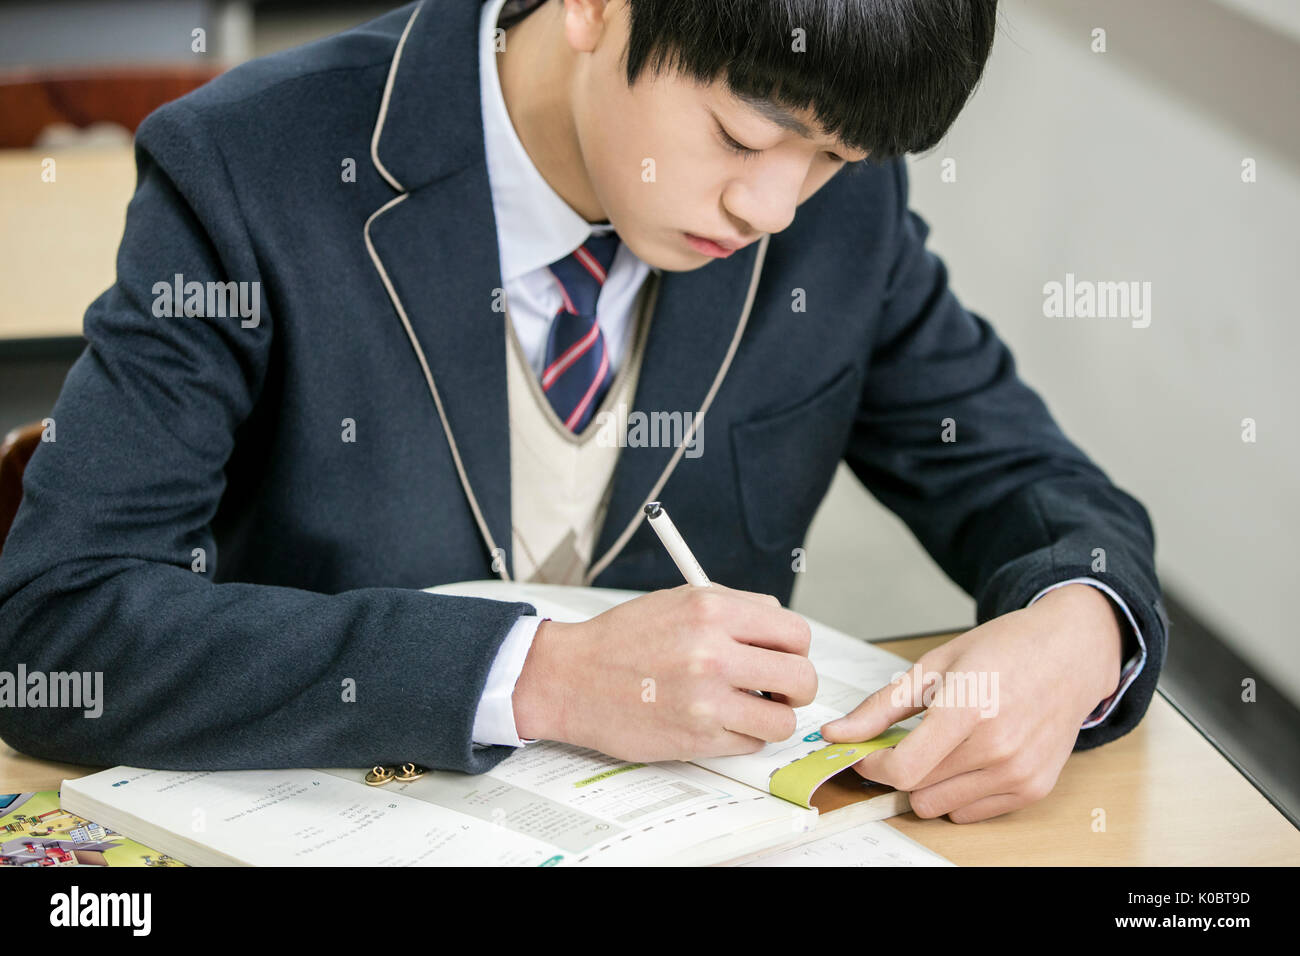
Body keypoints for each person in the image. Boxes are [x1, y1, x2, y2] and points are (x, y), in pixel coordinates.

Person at [0, 0, 1165, 824]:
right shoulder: (257, 164)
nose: (770, 205)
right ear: (594, 8)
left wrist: (1079, 625)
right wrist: (540, 673)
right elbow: (62, 627)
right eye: (743, 134)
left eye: (832, 157)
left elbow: (1025, 476)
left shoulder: (836, 220)